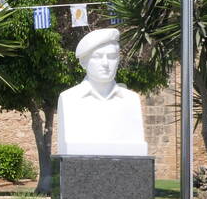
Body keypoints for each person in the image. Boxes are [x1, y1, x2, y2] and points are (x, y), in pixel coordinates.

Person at [56, 28, 147, 156]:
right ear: (84, 62)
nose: (105, 63)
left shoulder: (131, 100)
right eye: (98, 57)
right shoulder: (69, 99)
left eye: (111, 57)